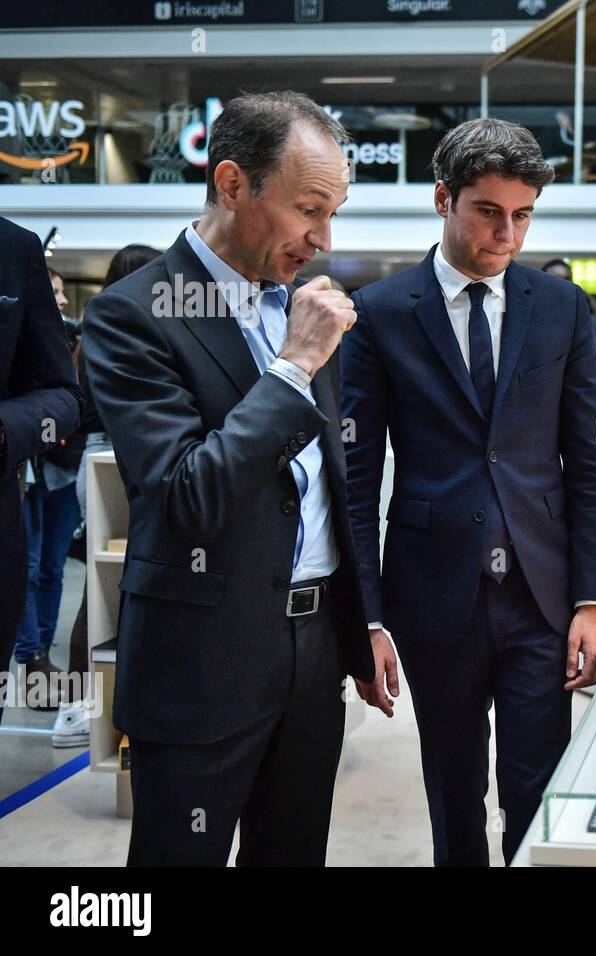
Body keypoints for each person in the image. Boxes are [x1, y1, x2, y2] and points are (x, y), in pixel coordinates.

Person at [82, 91, 395, 866]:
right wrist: (292, 367)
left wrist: (366, 624)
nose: (323, 239)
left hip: (314, 650)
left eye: (336, 212)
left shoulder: (300, 305)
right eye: (308, 209)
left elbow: (331, 486)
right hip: (200, 664)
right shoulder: (136, 313)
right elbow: (188, 495)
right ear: (231, 185)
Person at [342, 117, 596, 866]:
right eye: (489, 211)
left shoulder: (561, 308)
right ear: (443, 198)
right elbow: (357, 480)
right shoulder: (379, 313)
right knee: (453, 793)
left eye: (523, 215)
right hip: (435, 600)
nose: (508, 233)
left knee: (538, 792)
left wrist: (592, 599)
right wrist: (365, 618)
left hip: (541, 597)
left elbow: (591, 464)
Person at [53, 244, 162, 749]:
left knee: (106, 586)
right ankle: (80, 709)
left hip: (101, 459)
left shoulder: (99, 329)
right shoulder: (118, 325)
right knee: (104, 588)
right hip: (110, 461)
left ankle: (88, 709)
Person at [0, 218, 84, 724]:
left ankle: (34, 658)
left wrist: (7, 427)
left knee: (46, 567)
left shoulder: (13, 248)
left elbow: (62, 394)